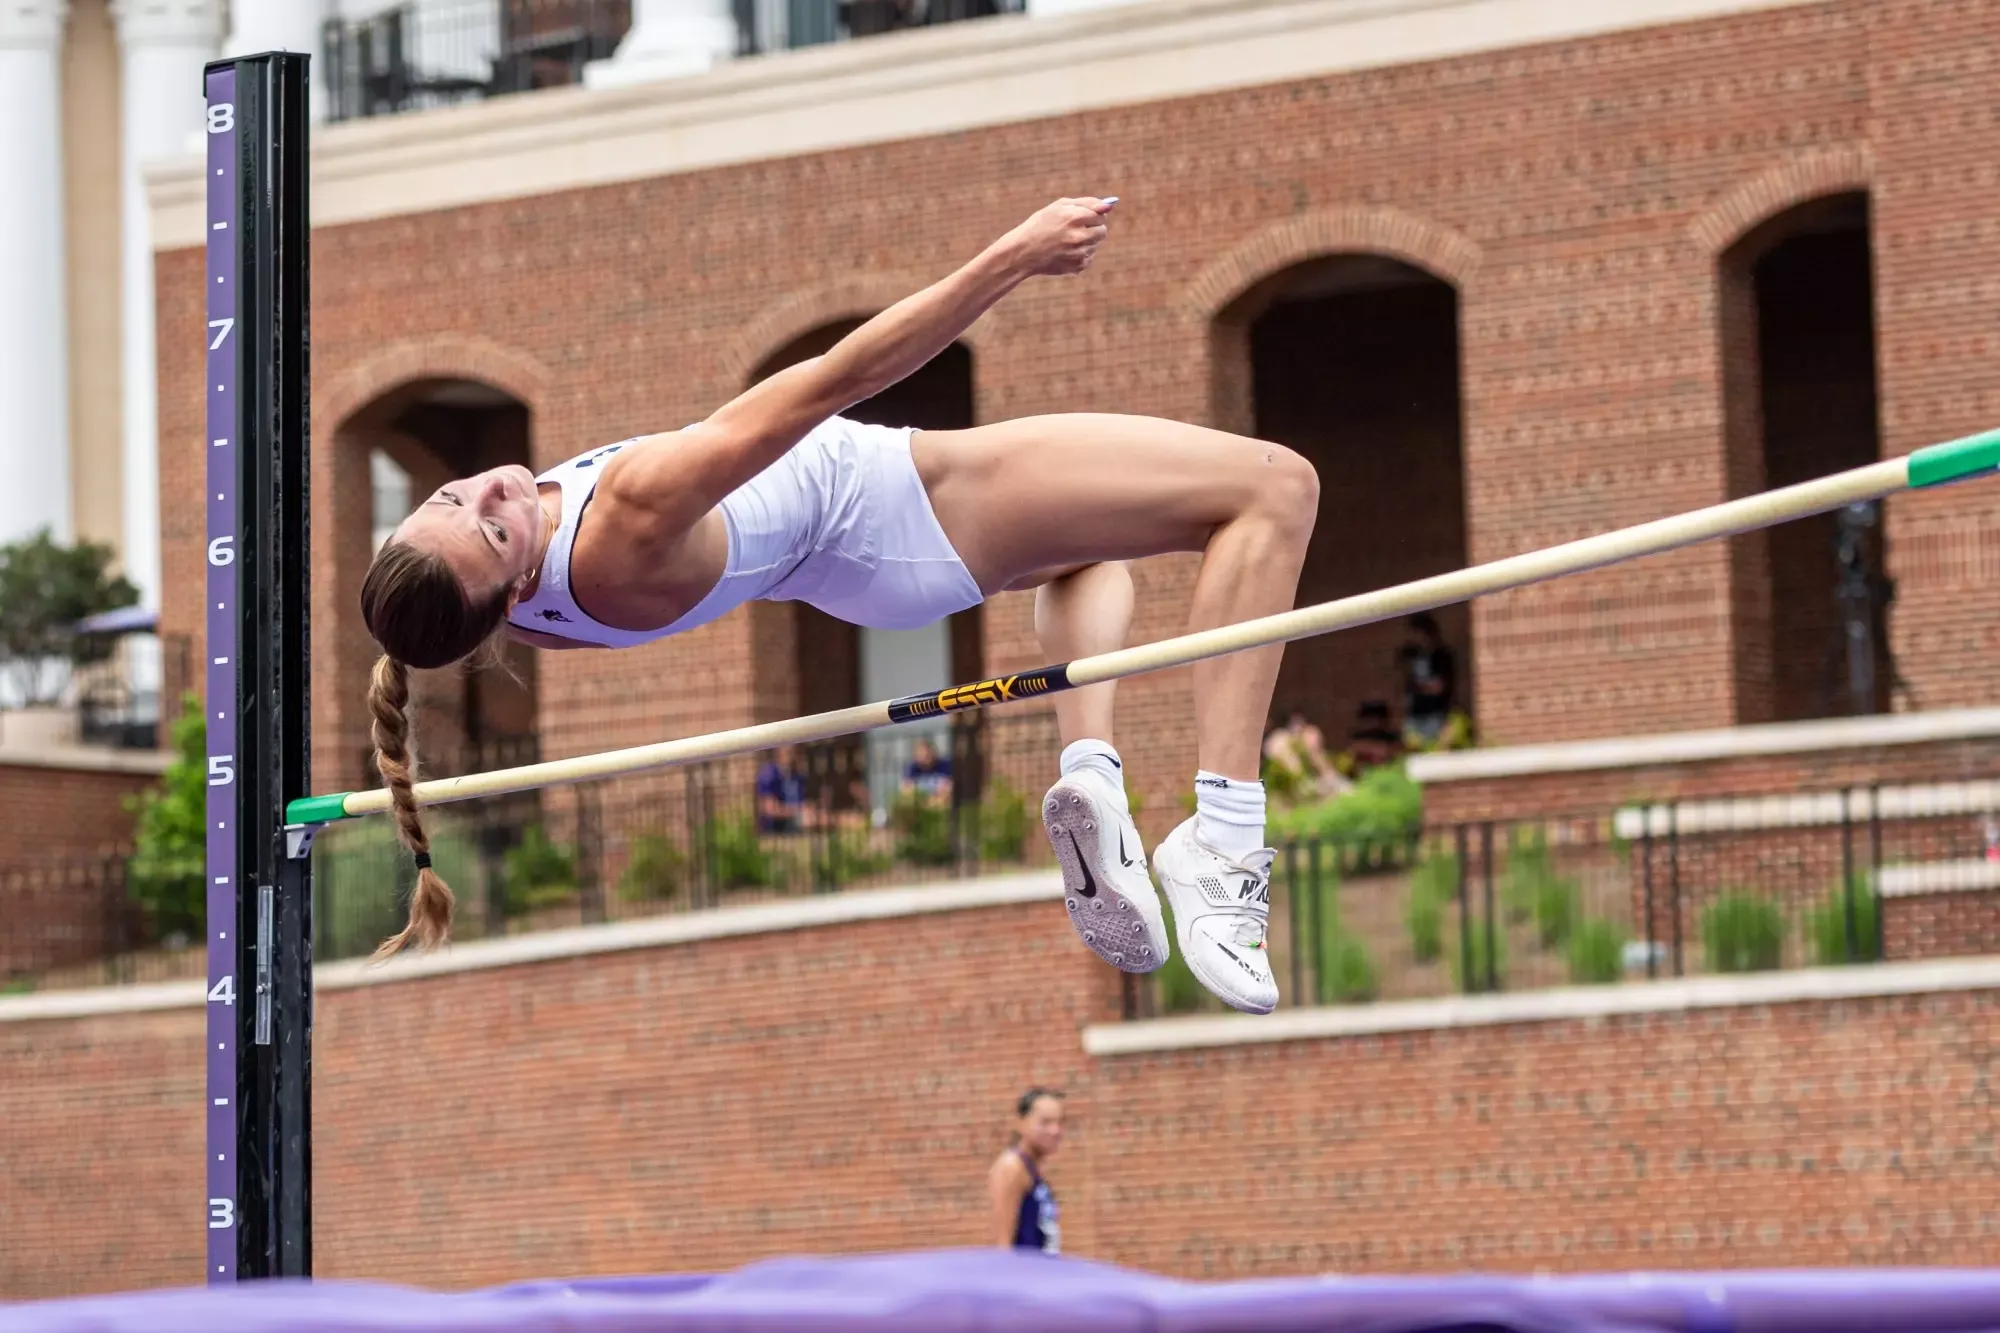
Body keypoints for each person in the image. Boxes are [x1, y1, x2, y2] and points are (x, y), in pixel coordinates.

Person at [359, 195, 1318, 1013]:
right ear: (506, 597)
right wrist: (1014, 256)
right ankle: (1221, 845)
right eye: (490, 531)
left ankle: (1092, 773)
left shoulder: (511, 610)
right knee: (1275, 489)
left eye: (453, 497)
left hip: (859, 562)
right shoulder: (633, 512)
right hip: (904, 505)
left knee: (1096, 557)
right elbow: (840, 377)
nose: (490, 492)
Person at [988, 1088, 1063, 1254]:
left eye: (1059, 1122)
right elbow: (1002, 1245)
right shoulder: (1012, 1167)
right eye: (1045, 1122)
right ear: (1021, 1123)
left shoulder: (1031, 1170)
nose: (1055, 1130)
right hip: (1025, 1276)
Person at [1397, 613, 1456, 747]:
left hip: (1435, 714)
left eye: (1414, 633)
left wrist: (1422, 687)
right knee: (1412, 749)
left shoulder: (1441, 656)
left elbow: (1440, 686)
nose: (1411, 637)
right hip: (1415, 713)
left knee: (1434, 749)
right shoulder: (1410, 655)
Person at [754, 744, 811, 834]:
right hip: (775, 827)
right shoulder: (769, 774)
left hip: (795, 821)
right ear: (779, 752)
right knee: (807, 820)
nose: (792, 756)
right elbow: (770, 810)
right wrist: (797, 812)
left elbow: (801, 802)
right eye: (789, 752)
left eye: (794, 752)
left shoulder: (797, 776)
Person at [901, 735, 953, 804]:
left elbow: (949, 786)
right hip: (921, 803)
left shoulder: (944, 765)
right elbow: (906, 788)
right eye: (922, 754)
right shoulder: (912, 768)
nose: (925, 757)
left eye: (928, 753)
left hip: (940, 802)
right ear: (916, 756)